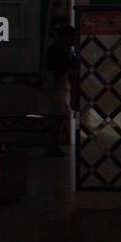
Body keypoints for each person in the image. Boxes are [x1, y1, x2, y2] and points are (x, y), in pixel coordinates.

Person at [43, 21, 78, 156]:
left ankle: (53, 144)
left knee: (58, 117)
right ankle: (52, 145)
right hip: (54, 88)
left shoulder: (66, 51)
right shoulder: (57, 52)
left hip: (60, 88)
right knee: (55, 117)